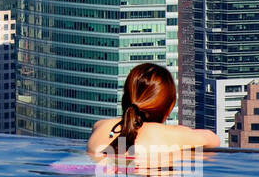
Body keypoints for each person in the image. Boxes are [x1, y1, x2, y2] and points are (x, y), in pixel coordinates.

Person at [87, 63, 219, 160]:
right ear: (170, 107)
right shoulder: (171, 135)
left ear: (125, 99)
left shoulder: (100, 126)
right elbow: (213, 139)